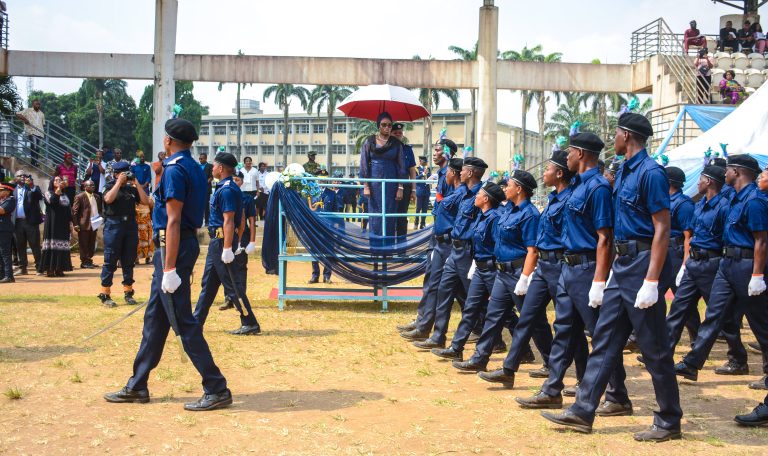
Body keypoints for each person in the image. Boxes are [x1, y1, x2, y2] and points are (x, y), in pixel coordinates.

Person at [542, 113, 682, 442]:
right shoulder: (622, 174)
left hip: (643, 262)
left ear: (627, 136)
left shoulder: (650, 173)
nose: (613, 140)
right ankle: (582, 409)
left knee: (654, 348)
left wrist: (652, 280)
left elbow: (662, 228)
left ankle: (668, 419)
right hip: (623, 264)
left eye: (616, 134)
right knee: (604, 339)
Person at [104, 118, 232, 411]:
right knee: (155, 319)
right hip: (176, 246)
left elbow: (173, 220)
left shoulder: (175, 169)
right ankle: (137, 384)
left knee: (183, 321)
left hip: (173, 248)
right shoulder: (192, 168)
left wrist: (170, 269)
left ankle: (216, 386)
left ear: (168, 141)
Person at [478, 149, 584, 390]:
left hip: (560, 266)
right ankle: (508, 370)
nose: (544, 172)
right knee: (525, 318)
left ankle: (582, 377)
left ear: (559, 173)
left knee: (570, 325)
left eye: (548, 169)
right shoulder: (554, 200)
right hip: (544, 267)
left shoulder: (569, 199)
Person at [674, 155, 768, 390]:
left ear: (736, 172)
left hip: (746, 265)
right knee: (714, 314)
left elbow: (761, 241)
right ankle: (692, 363)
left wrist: (757, 275)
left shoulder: (754, 201)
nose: (724, 173)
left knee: (760, 324)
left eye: (727, 170)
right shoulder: (736, 200)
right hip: (727, 264)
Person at [452, 169, 545, 372]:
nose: (505, 189)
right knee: (493, 316)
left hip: (517, 272)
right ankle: (480, 358)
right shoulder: (508, 210)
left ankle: (550, 361)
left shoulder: (529, 215)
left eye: (509, 185)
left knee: (535, 320)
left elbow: (532, 250)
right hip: (501, 272)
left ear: (519, 189)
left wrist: (525, 277)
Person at [410, 157, 489, 350]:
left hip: (463, 250)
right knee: (444, 291)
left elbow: (479, 224)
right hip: (453, 247)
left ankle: (494, 337)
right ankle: (438, 336)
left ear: (469, 173)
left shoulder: (477, 195)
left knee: (473, 297)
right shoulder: (466, 194)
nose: (460, 173)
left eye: (463, 170)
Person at [429, 180, 505, 361]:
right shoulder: (482, 214)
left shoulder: (494, 218)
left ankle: (517, 346)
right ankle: (456, 348)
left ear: (486, 199)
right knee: (470, 306)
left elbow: (497, 247)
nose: (476, 197)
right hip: (474, 262)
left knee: (501, 310)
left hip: (491, 268)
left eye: (480, 195)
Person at [665, 165, 734, 361]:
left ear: (709, 181)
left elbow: (726, 238)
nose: (697, 183)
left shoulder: (723, 207)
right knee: (678, 309)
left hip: (711, 263)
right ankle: (666, 353)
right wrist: (686, 264)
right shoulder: (699, 205)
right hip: (694, 262)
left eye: (700, 179)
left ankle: (737, 356)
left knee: (720, 314)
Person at [193, 152, 261, 335]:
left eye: (214, 166)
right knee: (208, 284)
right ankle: (196, 322)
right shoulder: (224, 187)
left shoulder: (228, 189)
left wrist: (228, 247)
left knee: (232, 284)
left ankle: (249, 321)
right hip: (217, 241)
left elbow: (230, 220)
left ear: (221, 168)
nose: (212, 168)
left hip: (223, 241)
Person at [400, 157, 464, 341]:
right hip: (440, 242)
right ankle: (425, 327)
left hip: (449, 245)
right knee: (438, 286)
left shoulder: (460, 195)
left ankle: (428, 329)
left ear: (453, 173)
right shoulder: (456, 193)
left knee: (449, 289)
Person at [98, 161, 150, 308]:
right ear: (115, 174)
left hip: (130, 226)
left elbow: (146, 201)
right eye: (122, 173)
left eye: (127, 172)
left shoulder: (132, 189)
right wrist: (118, 183)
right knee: (111, 260)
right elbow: (108, 199)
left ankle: (128, 292)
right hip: (113, 226)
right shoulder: (108, 186)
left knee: (128, 261)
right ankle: (105, 293)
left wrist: (137, 183)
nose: (126, 175)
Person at [359, 112, 406, 238]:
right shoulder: (369, 142)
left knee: (390, 217)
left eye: (390, 125)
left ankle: (388, 253)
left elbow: (402, 167)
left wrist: (400, 187)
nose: (387, 128)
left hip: (391, 185)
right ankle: (375, 251)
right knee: (375, 217)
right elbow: (363, 164)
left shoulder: (396, 144)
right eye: (384, 125)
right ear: (378, 126)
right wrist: (366, 186)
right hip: (374, 185)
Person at [219, 170, 259, 316]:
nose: (235, 182)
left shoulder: (247, 199)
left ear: (242, 182)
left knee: (240, 267)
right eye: (233, 179)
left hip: (243, 236)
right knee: (226, 266)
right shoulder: (225, 193)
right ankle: (228, 297)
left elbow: (252, 220)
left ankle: (241, 297)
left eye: (238, 180)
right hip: (228, 234)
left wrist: (252, 241)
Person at [38, 176, 74, 277]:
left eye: (60, 180)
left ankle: (59, 268)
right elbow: (53, 201)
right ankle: (50, 269)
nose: (59, 181)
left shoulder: (65, 195)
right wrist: (58, 189)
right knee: (52, 244)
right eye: (56, 180)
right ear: (52, 182)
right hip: (52, 223)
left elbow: (68, 210)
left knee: (62, 243)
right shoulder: (48, 193)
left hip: (63, 224)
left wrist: (70, 222)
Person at [309, 181, 343, 284]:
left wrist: (336, 227)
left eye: (323, 180)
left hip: (328, 227)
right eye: (320, 180)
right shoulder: (311, 193)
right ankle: (315, 275)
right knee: (314, 251)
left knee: (329, 251)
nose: (321, 182)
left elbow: (335, 211)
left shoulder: (331, 193)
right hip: (315, 227)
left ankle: (327, 276)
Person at [13, 171, 43, 275]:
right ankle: (23, 268)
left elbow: (39, 197)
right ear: (15, 178)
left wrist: (32, 186)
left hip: (30, 222)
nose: (22, 177)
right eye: (19, 175)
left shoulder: (33, 188)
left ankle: (39, 268)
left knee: (35, 245)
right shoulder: (12, 189)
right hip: (17, 222)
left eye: (24, 175)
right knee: (20, 246)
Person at [391, 123, 417, 236]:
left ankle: (402, 247)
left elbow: (412, 170)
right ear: (391, 133)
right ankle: (388, 247)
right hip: (390, 186)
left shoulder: (407, 149)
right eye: (395, 133)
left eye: (400, 133)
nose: (397, 134)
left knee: (402, 216)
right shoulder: (386, 149)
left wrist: (414, 190)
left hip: (405, 186)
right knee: (389, 217)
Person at [72, 180, 103, 269]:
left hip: (94, 223)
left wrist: (99, 219)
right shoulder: (80, 196)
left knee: (91, 243)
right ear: (85, 187)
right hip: (83, 224)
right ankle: (84, 261)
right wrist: (75, 224)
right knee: (83, 243)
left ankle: (89, 260)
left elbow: (99, 210)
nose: (93, 186)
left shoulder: (97, 197)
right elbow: (74, 212)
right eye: (90, 185)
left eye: (94, 185)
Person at [16, 99, 45, 167]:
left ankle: (36, 162)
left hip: (39, 132)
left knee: (37, 148)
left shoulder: (42, 114)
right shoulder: (28, 110)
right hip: (31, 131)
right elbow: (17, 114)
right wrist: (25, 119)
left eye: (38, 104)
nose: (38, 105)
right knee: (34, 145)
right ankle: (33, 162)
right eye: (36, 104)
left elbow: (43, 124)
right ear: (33, 104)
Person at [0, 183, 16, 283]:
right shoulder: (2, 201)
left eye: (1, 190)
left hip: (5, 230)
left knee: (5, 253)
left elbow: (2, 211)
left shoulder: (10, 200)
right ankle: (2, 275)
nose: (0, 191)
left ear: (8, 191)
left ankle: (9, 276)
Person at [414, 156, 432, 230]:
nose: (425, 162)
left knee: (425, 209)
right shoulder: (416, 169)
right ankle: (416, 223)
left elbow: (429, 178)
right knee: (418, 209)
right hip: (419, 191)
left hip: (426, 191)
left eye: (426, 161)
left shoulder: (428, 169)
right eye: (424, 161)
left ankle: (423, 224)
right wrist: (422, 174)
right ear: (420, 161)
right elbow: (414, 179)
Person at [199, 152, 214, 226]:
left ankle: (207, 221)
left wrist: (204, 183)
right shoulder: (197, 166)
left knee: (205, 205)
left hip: (206, 188)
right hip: (198, 189)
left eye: (202, 159)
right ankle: (199, 221)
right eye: (199, 159)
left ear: (205, 158)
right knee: (198, 205)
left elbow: (211, 177)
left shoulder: (210, 166)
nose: (200, 160)